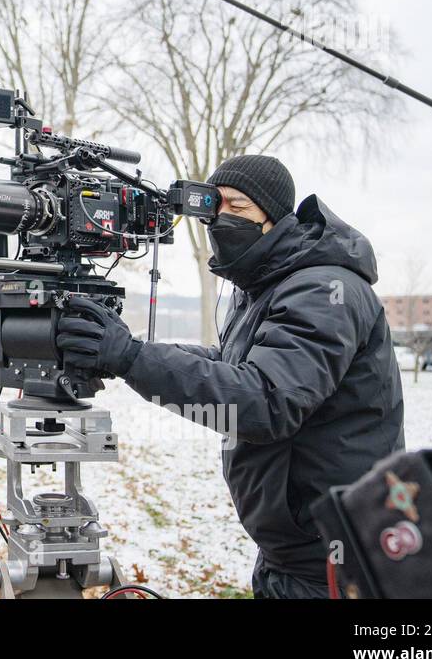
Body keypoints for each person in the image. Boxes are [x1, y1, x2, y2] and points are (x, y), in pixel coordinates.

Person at [55, 154, 404, 599]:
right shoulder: (269, 284)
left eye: (238, 208)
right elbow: (231, 363)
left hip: (336, 562)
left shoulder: (323, 289)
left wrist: (131, 358)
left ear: (274, 219)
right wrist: (129, 353)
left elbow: (267, 401)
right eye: (214, 207)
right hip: (293, 552)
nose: (222, 220)